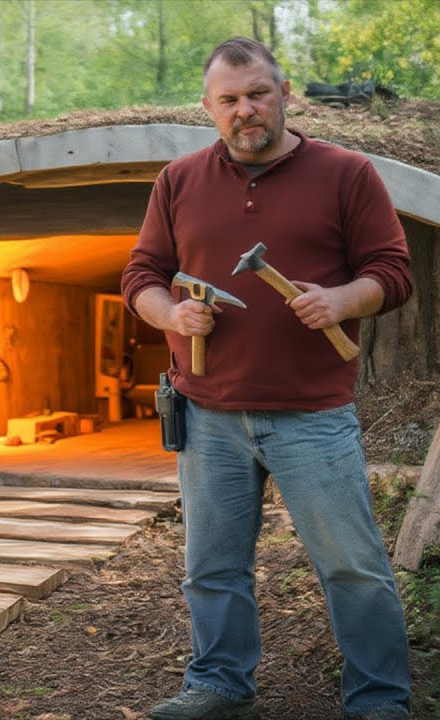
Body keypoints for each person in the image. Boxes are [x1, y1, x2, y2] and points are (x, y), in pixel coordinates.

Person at [120, 38, 413, 720]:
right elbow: (142, 274)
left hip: (312, 414)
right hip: (207, 413)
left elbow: (393, 271)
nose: (245, 110)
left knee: (352, 566)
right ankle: (219, 684)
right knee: (212, 566)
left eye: (257, 94)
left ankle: (379, 698)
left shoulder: (346, 173)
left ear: (285, 95)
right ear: (208, 107)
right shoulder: (178, 180)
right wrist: (173, 313)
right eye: (229, 99)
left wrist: (341, 299)